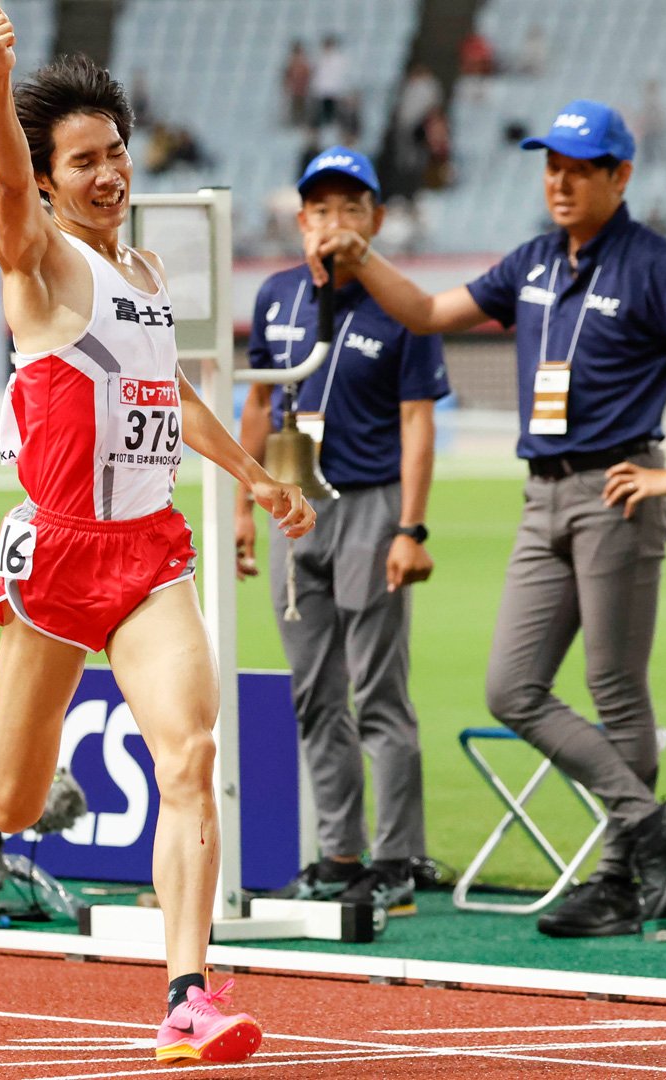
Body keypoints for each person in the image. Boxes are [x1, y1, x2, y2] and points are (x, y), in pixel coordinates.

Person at [0, 7, 312, 1064]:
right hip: (58, 555)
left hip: (146, 552)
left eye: (116, 154)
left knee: (190, 755)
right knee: (8, 800)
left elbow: (173, 396)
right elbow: (5, 181)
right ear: (52, 180)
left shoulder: (146, 277)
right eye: (83, 161)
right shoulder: (41, 261)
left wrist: (252, 481)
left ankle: (187, 995)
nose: (107, 174)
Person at [304, 99, 666, 938]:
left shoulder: (656, 266)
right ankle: (650, 821)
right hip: (541, 494)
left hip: (617, 490)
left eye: (578, 168)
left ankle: (623, 879)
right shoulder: (534, 262)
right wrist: (362, 255)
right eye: (549, 165)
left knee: (615, 689)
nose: (558, 181)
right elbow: (427, 314)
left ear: (620, 177)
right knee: (511, 688)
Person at [238, 147, 449, 918]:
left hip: (370, 504)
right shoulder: (276, 298)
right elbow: (260, 408)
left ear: (377, 221)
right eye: (320, 210)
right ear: (300, 223)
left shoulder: (404, 306)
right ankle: (338, 854)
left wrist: (411, 527)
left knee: (379, 692)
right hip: (298, 509)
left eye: (350, 208)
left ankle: (395, 859)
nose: (334, 223)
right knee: (313, 694)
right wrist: (242, 509)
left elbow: (419, 423)